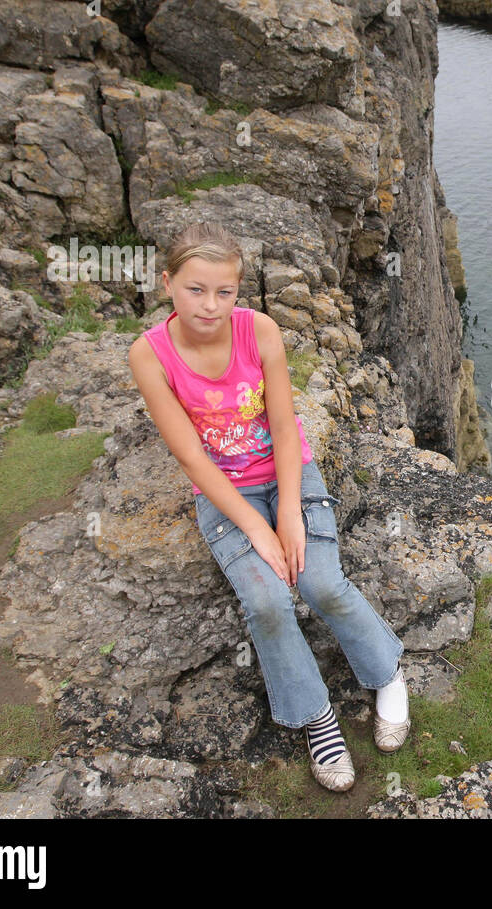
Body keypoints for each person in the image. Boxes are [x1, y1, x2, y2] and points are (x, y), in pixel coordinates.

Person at [127, 221, 409, 792]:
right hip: (223, 490)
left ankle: (387, 672)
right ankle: (316, 715)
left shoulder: (260, 332)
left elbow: (283, 425)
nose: (210, 305)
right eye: (195, 289)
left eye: (224, 292)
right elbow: (193, 460)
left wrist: (287, 512)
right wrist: (255, 525)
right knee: (267, 598)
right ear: (167, 284)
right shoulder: (149, 356)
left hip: (288, 472)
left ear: (239, 291)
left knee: (321, 582)